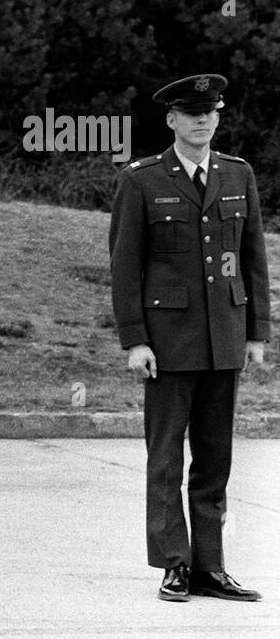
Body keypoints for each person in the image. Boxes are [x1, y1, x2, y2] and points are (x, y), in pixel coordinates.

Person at [109, 73, 269, 603]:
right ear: (172, 120)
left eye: (210, 112)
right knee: (166, 460)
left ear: (218, 118)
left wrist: (256, 334)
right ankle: (173, 564)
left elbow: (253, 261)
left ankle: (210, 566)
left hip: (224, 338)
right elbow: (125, 266)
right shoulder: (142, 180)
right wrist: (135, 340)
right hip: (168, 342)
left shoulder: (237, 175)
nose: (202, 121)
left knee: (215, 460)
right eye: (190, 113)